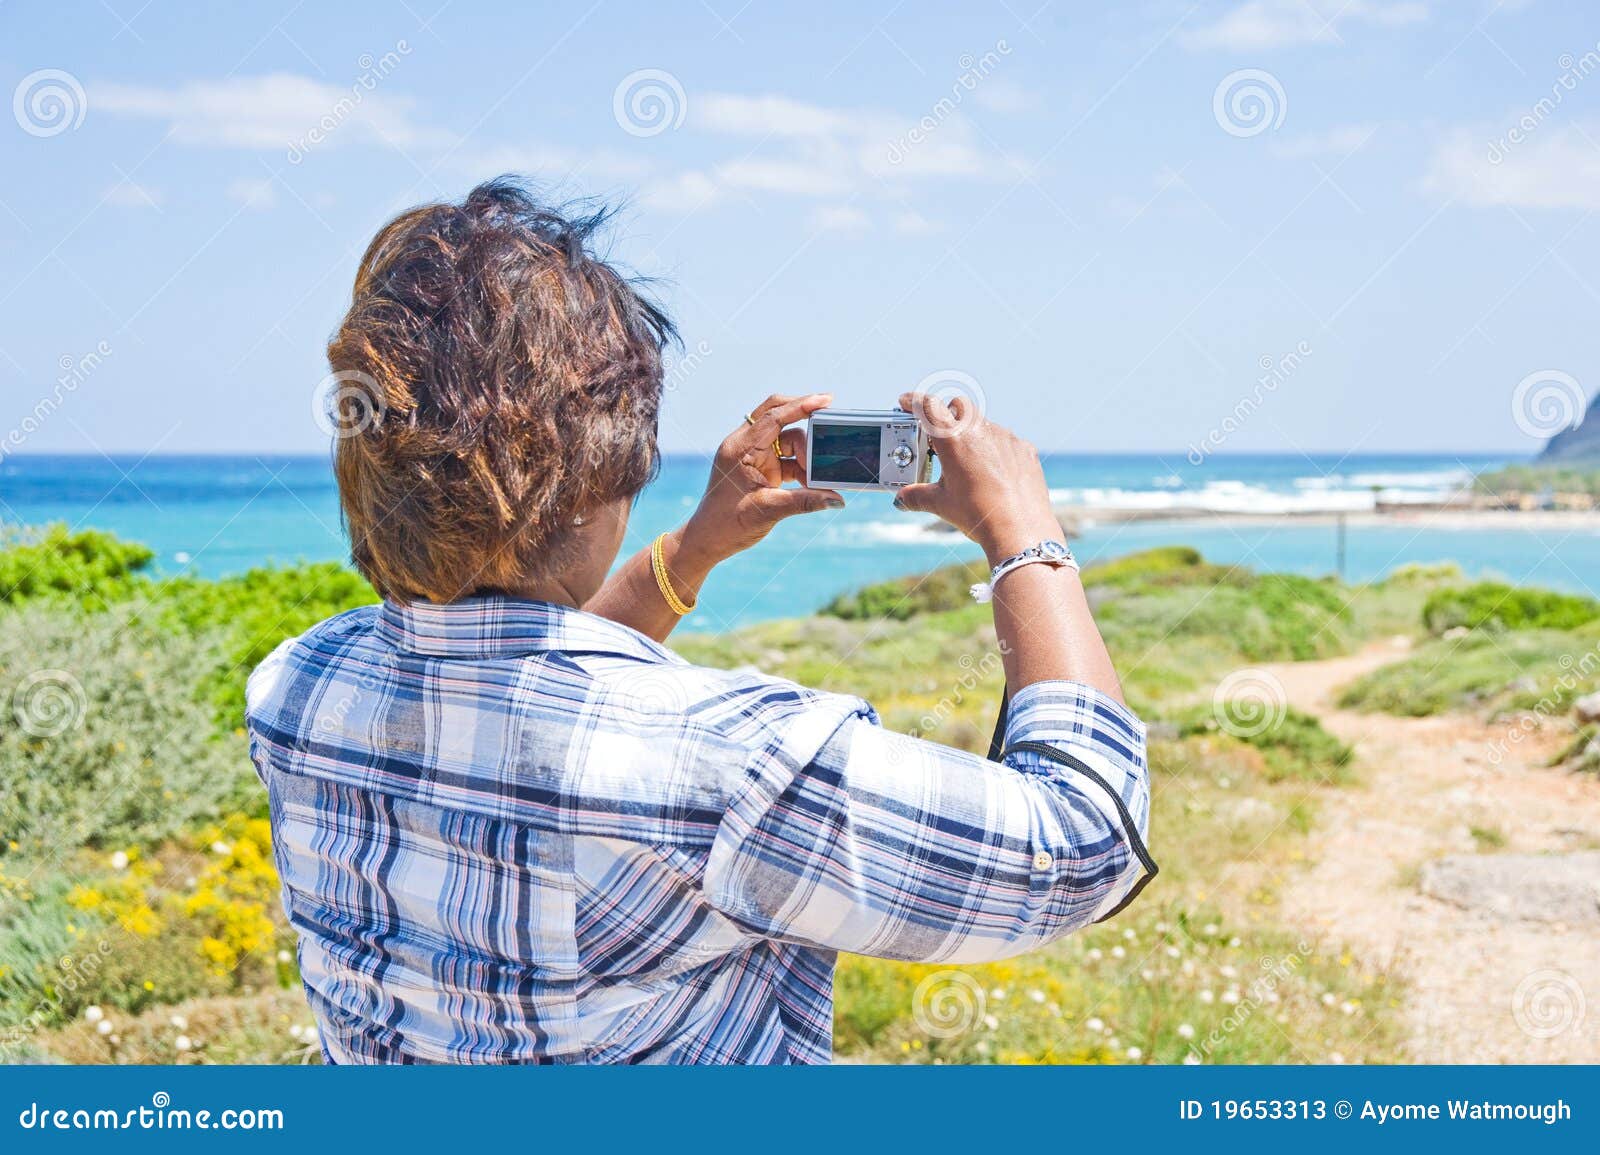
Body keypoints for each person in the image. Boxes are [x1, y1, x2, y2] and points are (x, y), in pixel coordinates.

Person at [245, 177, 1152, 1064]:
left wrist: (690, 553)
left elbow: (511, 679)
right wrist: (1024, 531)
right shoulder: (730, 767)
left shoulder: (298, 688)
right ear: (609, 476)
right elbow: (1084, 842)